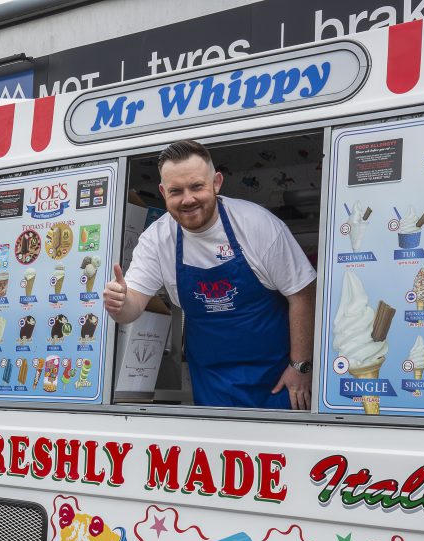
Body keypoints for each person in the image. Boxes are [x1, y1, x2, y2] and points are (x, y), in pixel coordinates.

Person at [104, 140, 316, 409]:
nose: (188, 199)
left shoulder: (258, 225)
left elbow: (303, 293)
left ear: (216, 183)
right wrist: (119, 304)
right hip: (211, 381)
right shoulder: (157, 240)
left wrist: (300, 367)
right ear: (162, 192)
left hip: (277, 379)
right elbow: (132, 306)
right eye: (176, 191)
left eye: (196, 187)